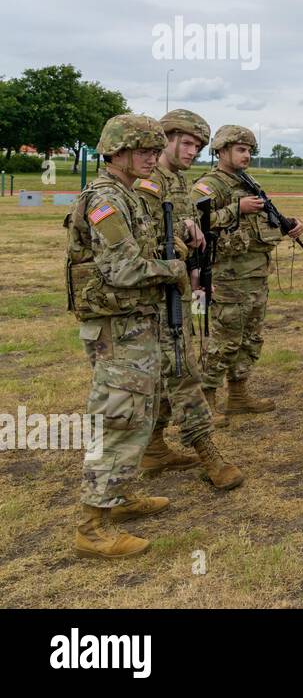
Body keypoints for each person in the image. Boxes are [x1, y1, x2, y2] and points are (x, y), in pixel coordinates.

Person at [65, 115, 188, 558]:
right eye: (144, 151)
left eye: (156, 151)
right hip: (117, 328)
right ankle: (91, 527)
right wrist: (173, 269)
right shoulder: (105, 200)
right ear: (117, 151)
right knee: (117, 418)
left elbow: (139, 254)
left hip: (135, 321)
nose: (154, 159)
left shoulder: (129, 195)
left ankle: (118, 497)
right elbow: (122, 269)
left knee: (138, 412)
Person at [132, 109, 243, 487]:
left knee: (171, 370)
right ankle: (208, 452)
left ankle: (154, 445)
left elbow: (177, 232)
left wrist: (194, 256)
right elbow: (147, 240)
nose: (192, 150)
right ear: (167, 139)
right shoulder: (148, 182)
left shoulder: (177, 182)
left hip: (177, 287)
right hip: (154, 293)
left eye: (197, 145)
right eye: (187, 142)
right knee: (182, 370)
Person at [194, 126, 303, 414]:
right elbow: (192, 225)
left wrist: (288, 225)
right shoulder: (209, 186)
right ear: (221, 150)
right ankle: (207, 400)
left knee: (251, 338)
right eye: (241, 150)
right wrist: (235, 209)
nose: (247, 155)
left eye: (250, 151)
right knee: (224, 340)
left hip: (255, 275)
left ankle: (239, 393)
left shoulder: (248, 183)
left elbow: (261, 226)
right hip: (226, 277)